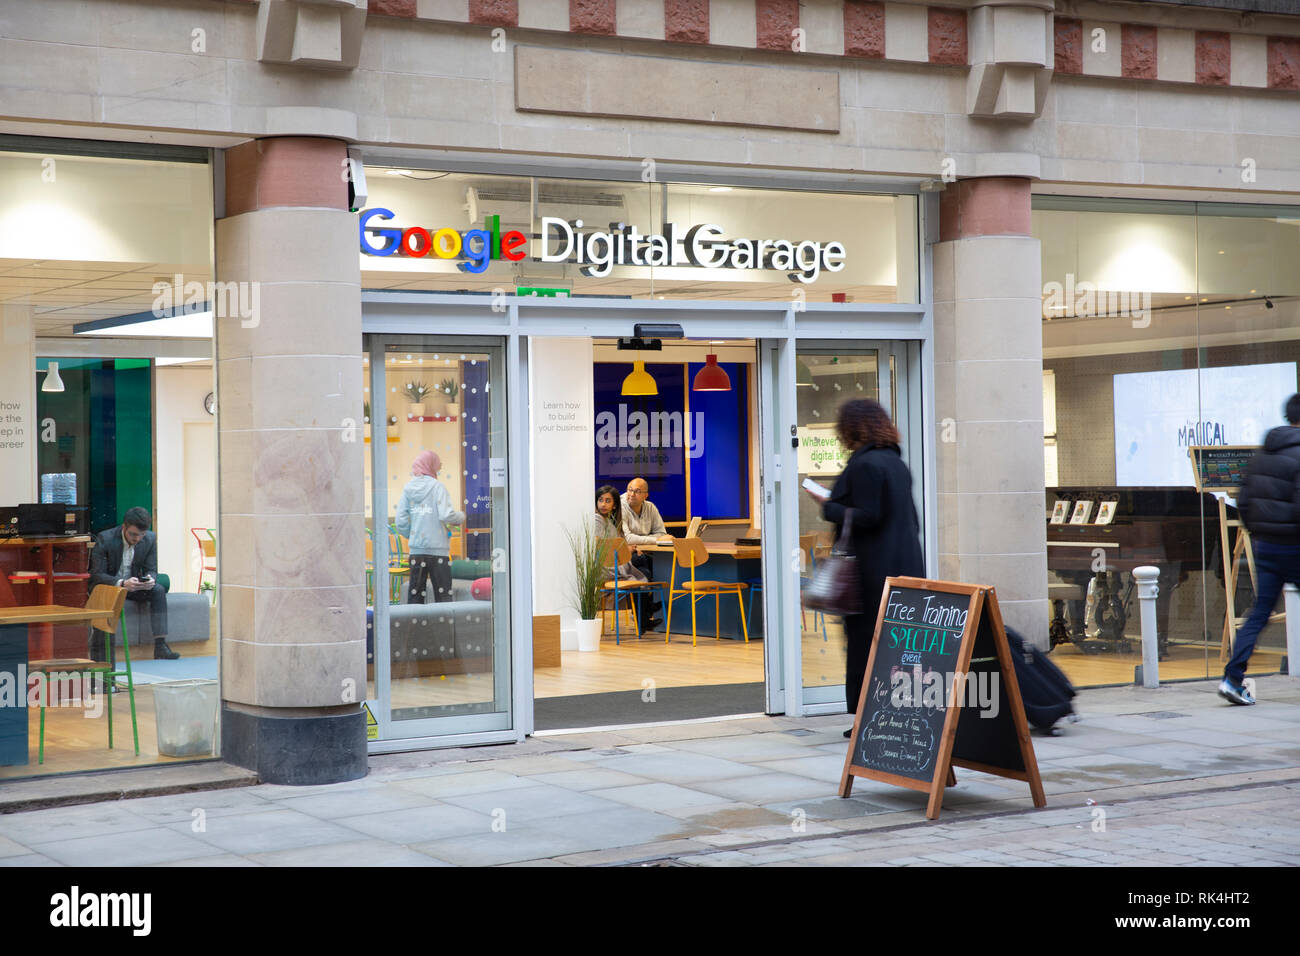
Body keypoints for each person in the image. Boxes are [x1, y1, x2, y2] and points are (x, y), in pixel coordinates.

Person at [805, 399, 924, 737]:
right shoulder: (896, 463)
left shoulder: (865, 465)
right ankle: (897, 713)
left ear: (851, 428)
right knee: (896, 646)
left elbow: (869, 516)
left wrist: (830, 507)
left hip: (871, 574)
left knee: (863, 644)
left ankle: (865, 719)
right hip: (904, 568)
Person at [1220, 393, 1300, 705]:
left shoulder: (1262, 454)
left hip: (1266, 546)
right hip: (1294, 545)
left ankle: (1232, 679)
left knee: (1258, 614)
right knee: (1260, 612)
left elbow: (1243, 501)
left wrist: (1259, 532)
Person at [88, 506, 178, 661]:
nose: (137, 539)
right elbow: (96, 575)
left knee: (158, 589)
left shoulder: (149, 539)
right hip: (111, 587)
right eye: (133, 534)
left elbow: (152, 569)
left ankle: (161, 645)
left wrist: (150, 579)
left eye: (141, 535)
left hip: (134, 585)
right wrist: (122, 583)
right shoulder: (105, 538)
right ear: (124, 527)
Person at [395, 450, 465, 604]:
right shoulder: (438, 487)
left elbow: (400, 521)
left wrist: (412, 534)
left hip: (416, 551)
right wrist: (461, 516)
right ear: (431, 465)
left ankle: (415, 627)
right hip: (438, 551)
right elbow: (446, 515)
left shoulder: (407, 489)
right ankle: (444, 626)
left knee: (415, 596)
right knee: (443, 596)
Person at [621, 477, 672, 630]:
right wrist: (654, 540)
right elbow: (627, 538)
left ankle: (644, 615)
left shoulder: (650, 507)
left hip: (641, 554)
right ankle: (646, 611)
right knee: (643, 567)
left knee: (650, 567)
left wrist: (644, 542)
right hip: (622, 557)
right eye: (630, 489)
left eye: (637, 491)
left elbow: (662, 532)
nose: (631, 494)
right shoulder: (620, 507)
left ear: (646, 495)